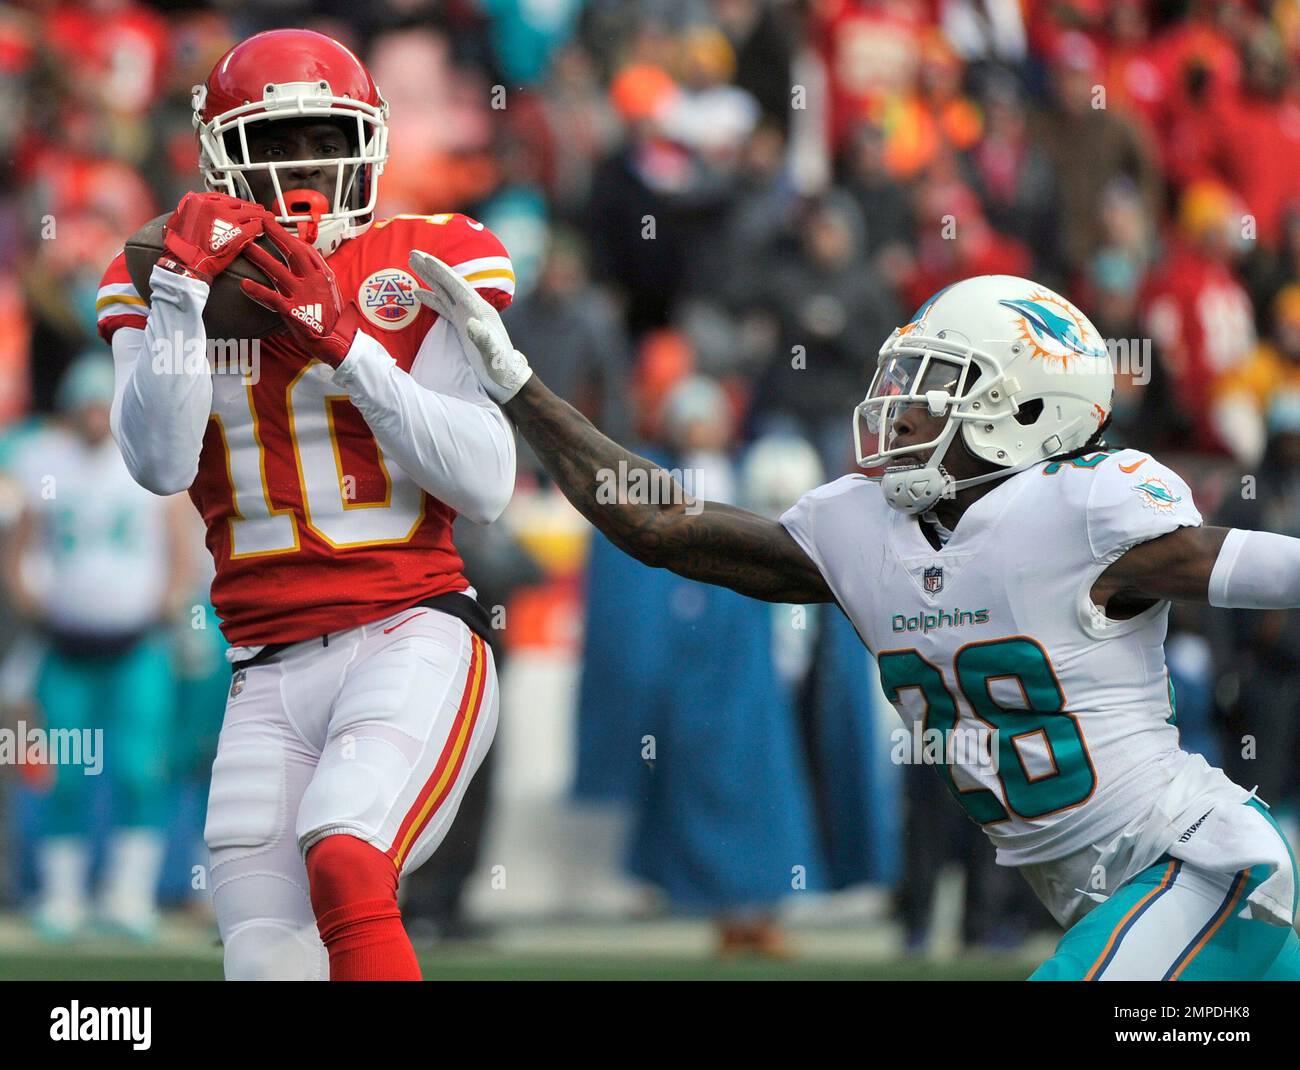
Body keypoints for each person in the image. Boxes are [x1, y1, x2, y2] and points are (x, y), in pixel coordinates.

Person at [412, 259, 1300, 980]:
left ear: (1027, 412)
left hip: (1203, 869)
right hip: (1106, 896)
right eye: (904, 376)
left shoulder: (1087, 511)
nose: (899, 403)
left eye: (936, 383)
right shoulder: (862, 527)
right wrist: (520, 385)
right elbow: (660, 525)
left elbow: (1255, 565)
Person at [96, 29, 517, 980]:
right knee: (268, 968)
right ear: (220, 154)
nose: (304, 165)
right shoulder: (158, 273)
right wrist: (178, 299)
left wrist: (347, 347)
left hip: (410, 630)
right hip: (264, 672)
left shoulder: (428, 258)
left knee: (346, 854)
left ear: (365, 137)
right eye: (275, 143)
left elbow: (486, 481)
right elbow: (160, 463)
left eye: (323, 135)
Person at [2, 354, 191, 941]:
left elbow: (178, 537)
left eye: (97, 403)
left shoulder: (143, 457)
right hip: (64, 646)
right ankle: (62, 897)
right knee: (63, 770)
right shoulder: (41, 460)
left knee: (140, 768)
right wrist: (27, 593)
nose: (90, 414)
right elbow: (21, 541)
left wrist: (170, 597)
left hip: (137, 644)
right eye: (81, 403)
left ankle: (128, 895)